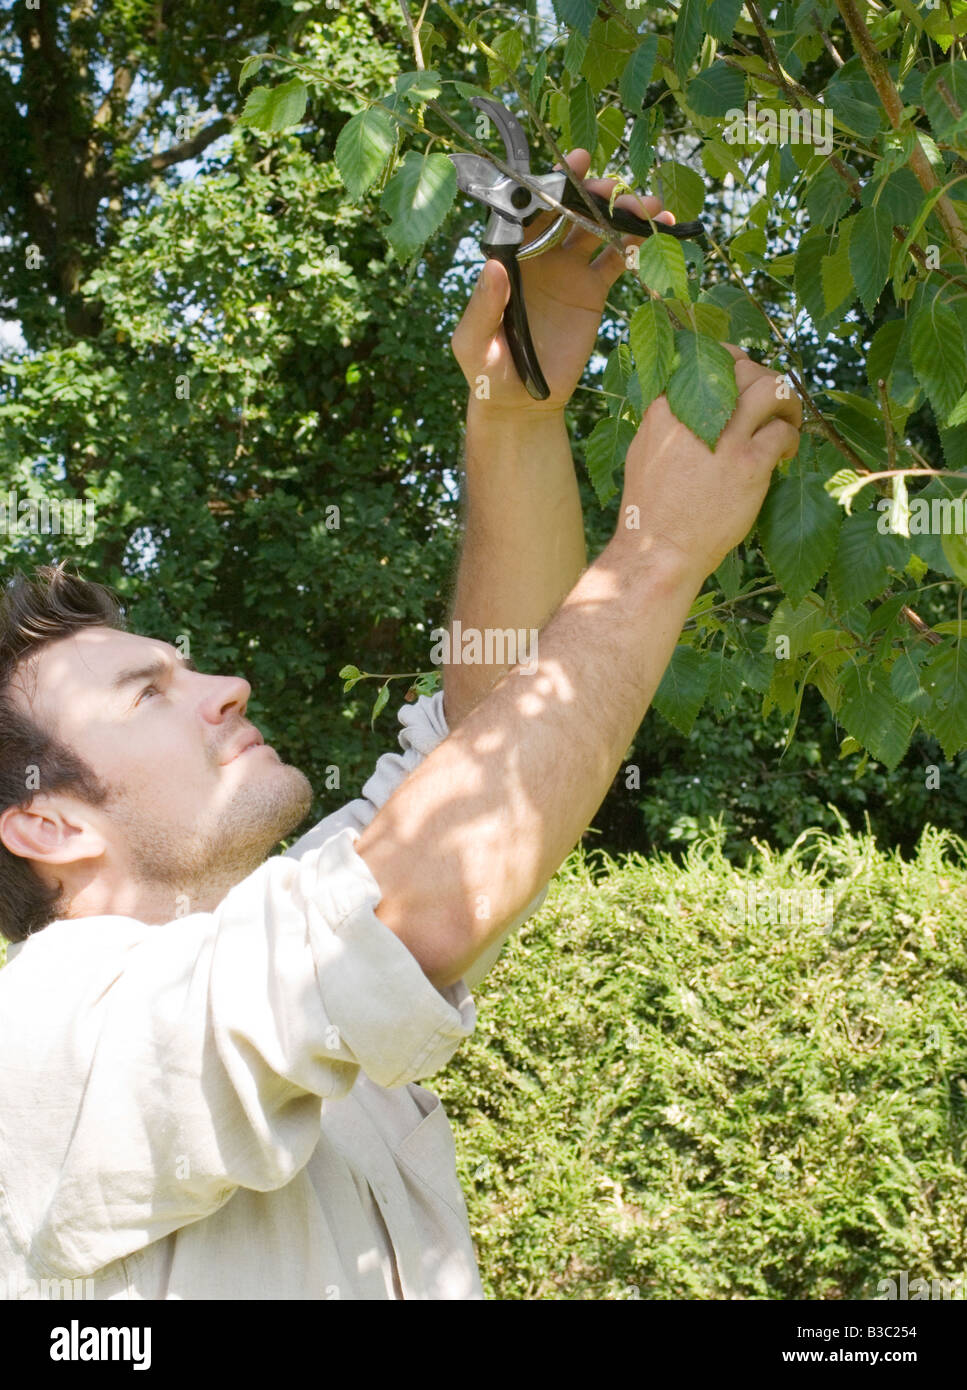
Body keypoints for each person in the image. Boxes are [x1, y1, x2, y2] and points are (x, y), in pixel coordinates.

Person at [0, 150, 802, 1301]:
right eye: (147, 691)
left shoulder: (246, 956)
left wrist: (513, 413)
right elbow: (406, 905)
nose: (223, 684)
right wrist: (657, 553)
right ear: (45, 823)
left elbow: (483, 746)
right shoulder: (45, 1026)